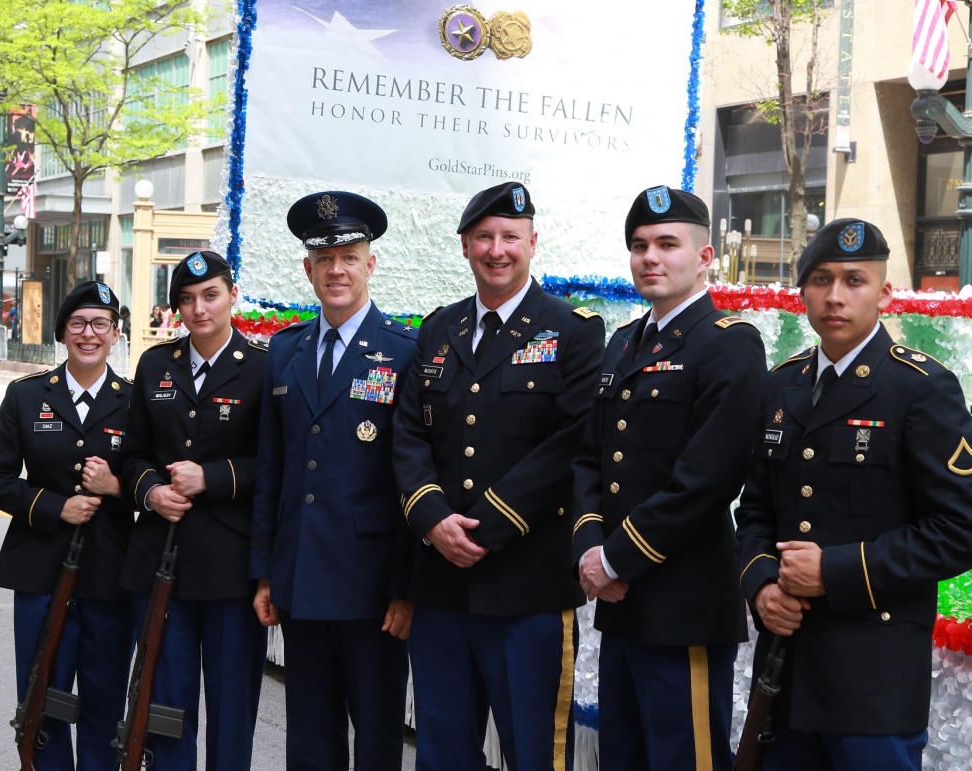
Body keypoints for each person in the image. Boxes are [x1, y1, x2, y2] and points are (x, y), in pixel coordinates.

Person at [735, 219, 972, 771]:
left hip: (873, 683)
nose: (835, 296)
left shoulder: (920, 388)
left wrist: (835, 572)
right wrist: (760, 581)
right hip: (786, 671)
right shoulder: (781, 384)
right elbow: (755, 509)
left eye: (854, 280)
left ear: (884, 292)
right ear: (803, 293)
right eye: (820, 280)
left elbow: (960, 529)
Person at [393, 181, 605, 771]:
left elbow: (570, 444)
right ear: (464, 246)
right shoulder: (438, 330)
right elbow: (409, 433)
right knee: (442, 755)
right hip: (441, 589)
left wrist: (480, 529)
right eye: (483, 237)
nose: (497, 250)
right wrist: (434, 520)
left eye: (510, 237)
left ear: (533, 243)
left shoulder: (573, 331)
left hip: (527, 590)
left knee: (533, 754)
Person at [572, 185, 766, 770]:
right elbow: (589, 460)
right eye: (638, 246)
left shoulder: (730, 345)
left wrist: (612, 559)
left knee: (685, 761)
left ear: (704, 257)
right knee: (622, 760)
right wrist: (587, 546)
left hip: (683, 605)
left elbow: (707, 480)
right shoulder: (624, 343)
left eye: (666, 244)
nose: (650, 258)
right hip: (621, 602)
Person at [250, 191, 417, 770]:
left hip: (372, 585)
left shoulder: (403, 352)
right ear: (308, 269)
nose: (337, 269)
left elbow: (412, 479)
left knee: (375, 737)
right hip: (300, 579)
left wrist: (405, 586)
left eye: (349, 256)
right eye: (325, 259)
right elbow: (272, 469)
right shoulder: (286, 350)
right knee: (311, 737)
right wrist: (266, 571)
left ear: (370, 264)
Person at [121, 251, 268, 770]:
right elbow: (132, 453)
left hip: (231, 567)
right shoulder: (156, 364)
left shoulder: (263, 368)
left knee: (231, 707)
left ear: (233, 296)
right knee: (164, 705)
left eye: (210, 295)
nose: (199, 309)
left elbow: (278, 465)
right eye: (186, 299)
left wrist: (214, 477)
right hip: (160, 558)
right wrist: (150, 491)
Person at [0, 281, 134, 770]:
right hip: (41, 568)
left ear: (115, 333)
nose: (89, 334)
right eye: (78, 324)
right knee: (43, 695)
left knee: (104, 700)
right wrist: (53, 506)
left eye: (100, 324)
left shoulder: (136, 401)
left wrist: (116, 487)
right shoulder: (26, 396)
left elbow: (155, 478)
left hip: (112, 571)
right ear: (63, 333)